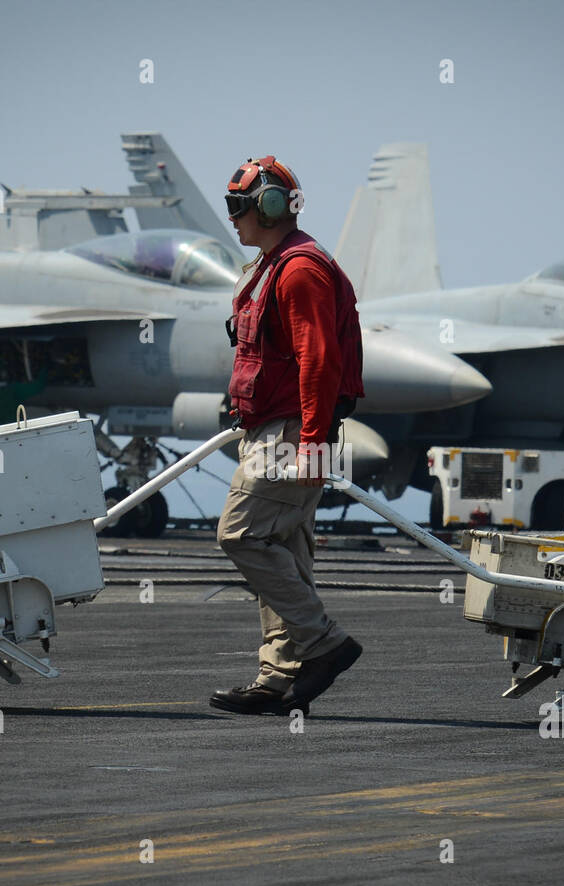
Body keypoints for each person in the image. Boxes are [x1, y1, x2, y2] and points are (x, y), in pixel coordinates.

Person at [209, 155, 364, 716]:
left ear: (268, 207)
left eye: (237, 207)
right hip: (271, 429)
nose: (232, 218)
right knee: (284, 554)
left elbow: (317, 363)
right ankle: (279, 677)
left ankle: (325, 643)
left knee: (241, 536)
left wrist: (310, 445)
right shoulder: (272, 265)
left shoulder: (299, 270)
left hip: (291, 431)